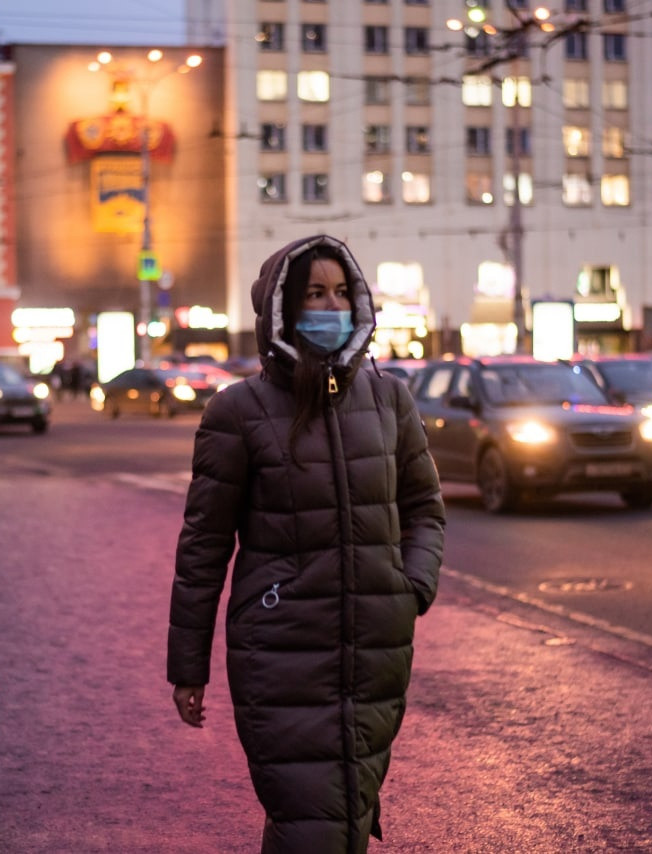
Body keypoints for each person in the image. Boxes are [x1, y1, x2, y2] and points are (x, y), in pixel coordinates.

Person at [167, 234, 446, 853]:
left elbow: (424, 507)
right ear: (283, 310)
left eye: (342, 292)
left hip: (377, 647)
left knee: (343, 810)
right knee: (311, 817)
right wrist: (188, 667)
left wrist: (411, 586)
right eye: (315, 293)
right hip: (280, 650)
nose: (332, 305)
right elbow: (203, 549)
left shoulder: (390, 398)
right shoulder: (237, 412)